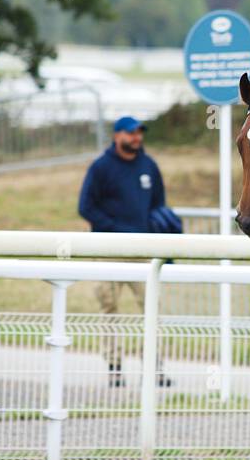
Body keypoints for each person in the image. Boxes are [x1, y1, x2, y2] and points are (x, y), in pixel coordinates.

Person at [78, 115, 182, 387]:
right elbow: (85, 207)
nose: (136, 138)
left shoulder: (149, 166)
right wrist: (115, 229)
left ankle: (155, 367)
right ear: (117, 136)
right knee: (109, 309)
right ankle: (114, 367)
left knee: (152, 308)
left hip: (144, 250)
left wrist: (161, 234)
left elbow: (158, 205)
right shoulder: (101, 168)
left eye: (139, 133)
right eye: (130, 133)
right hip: (108, 249)